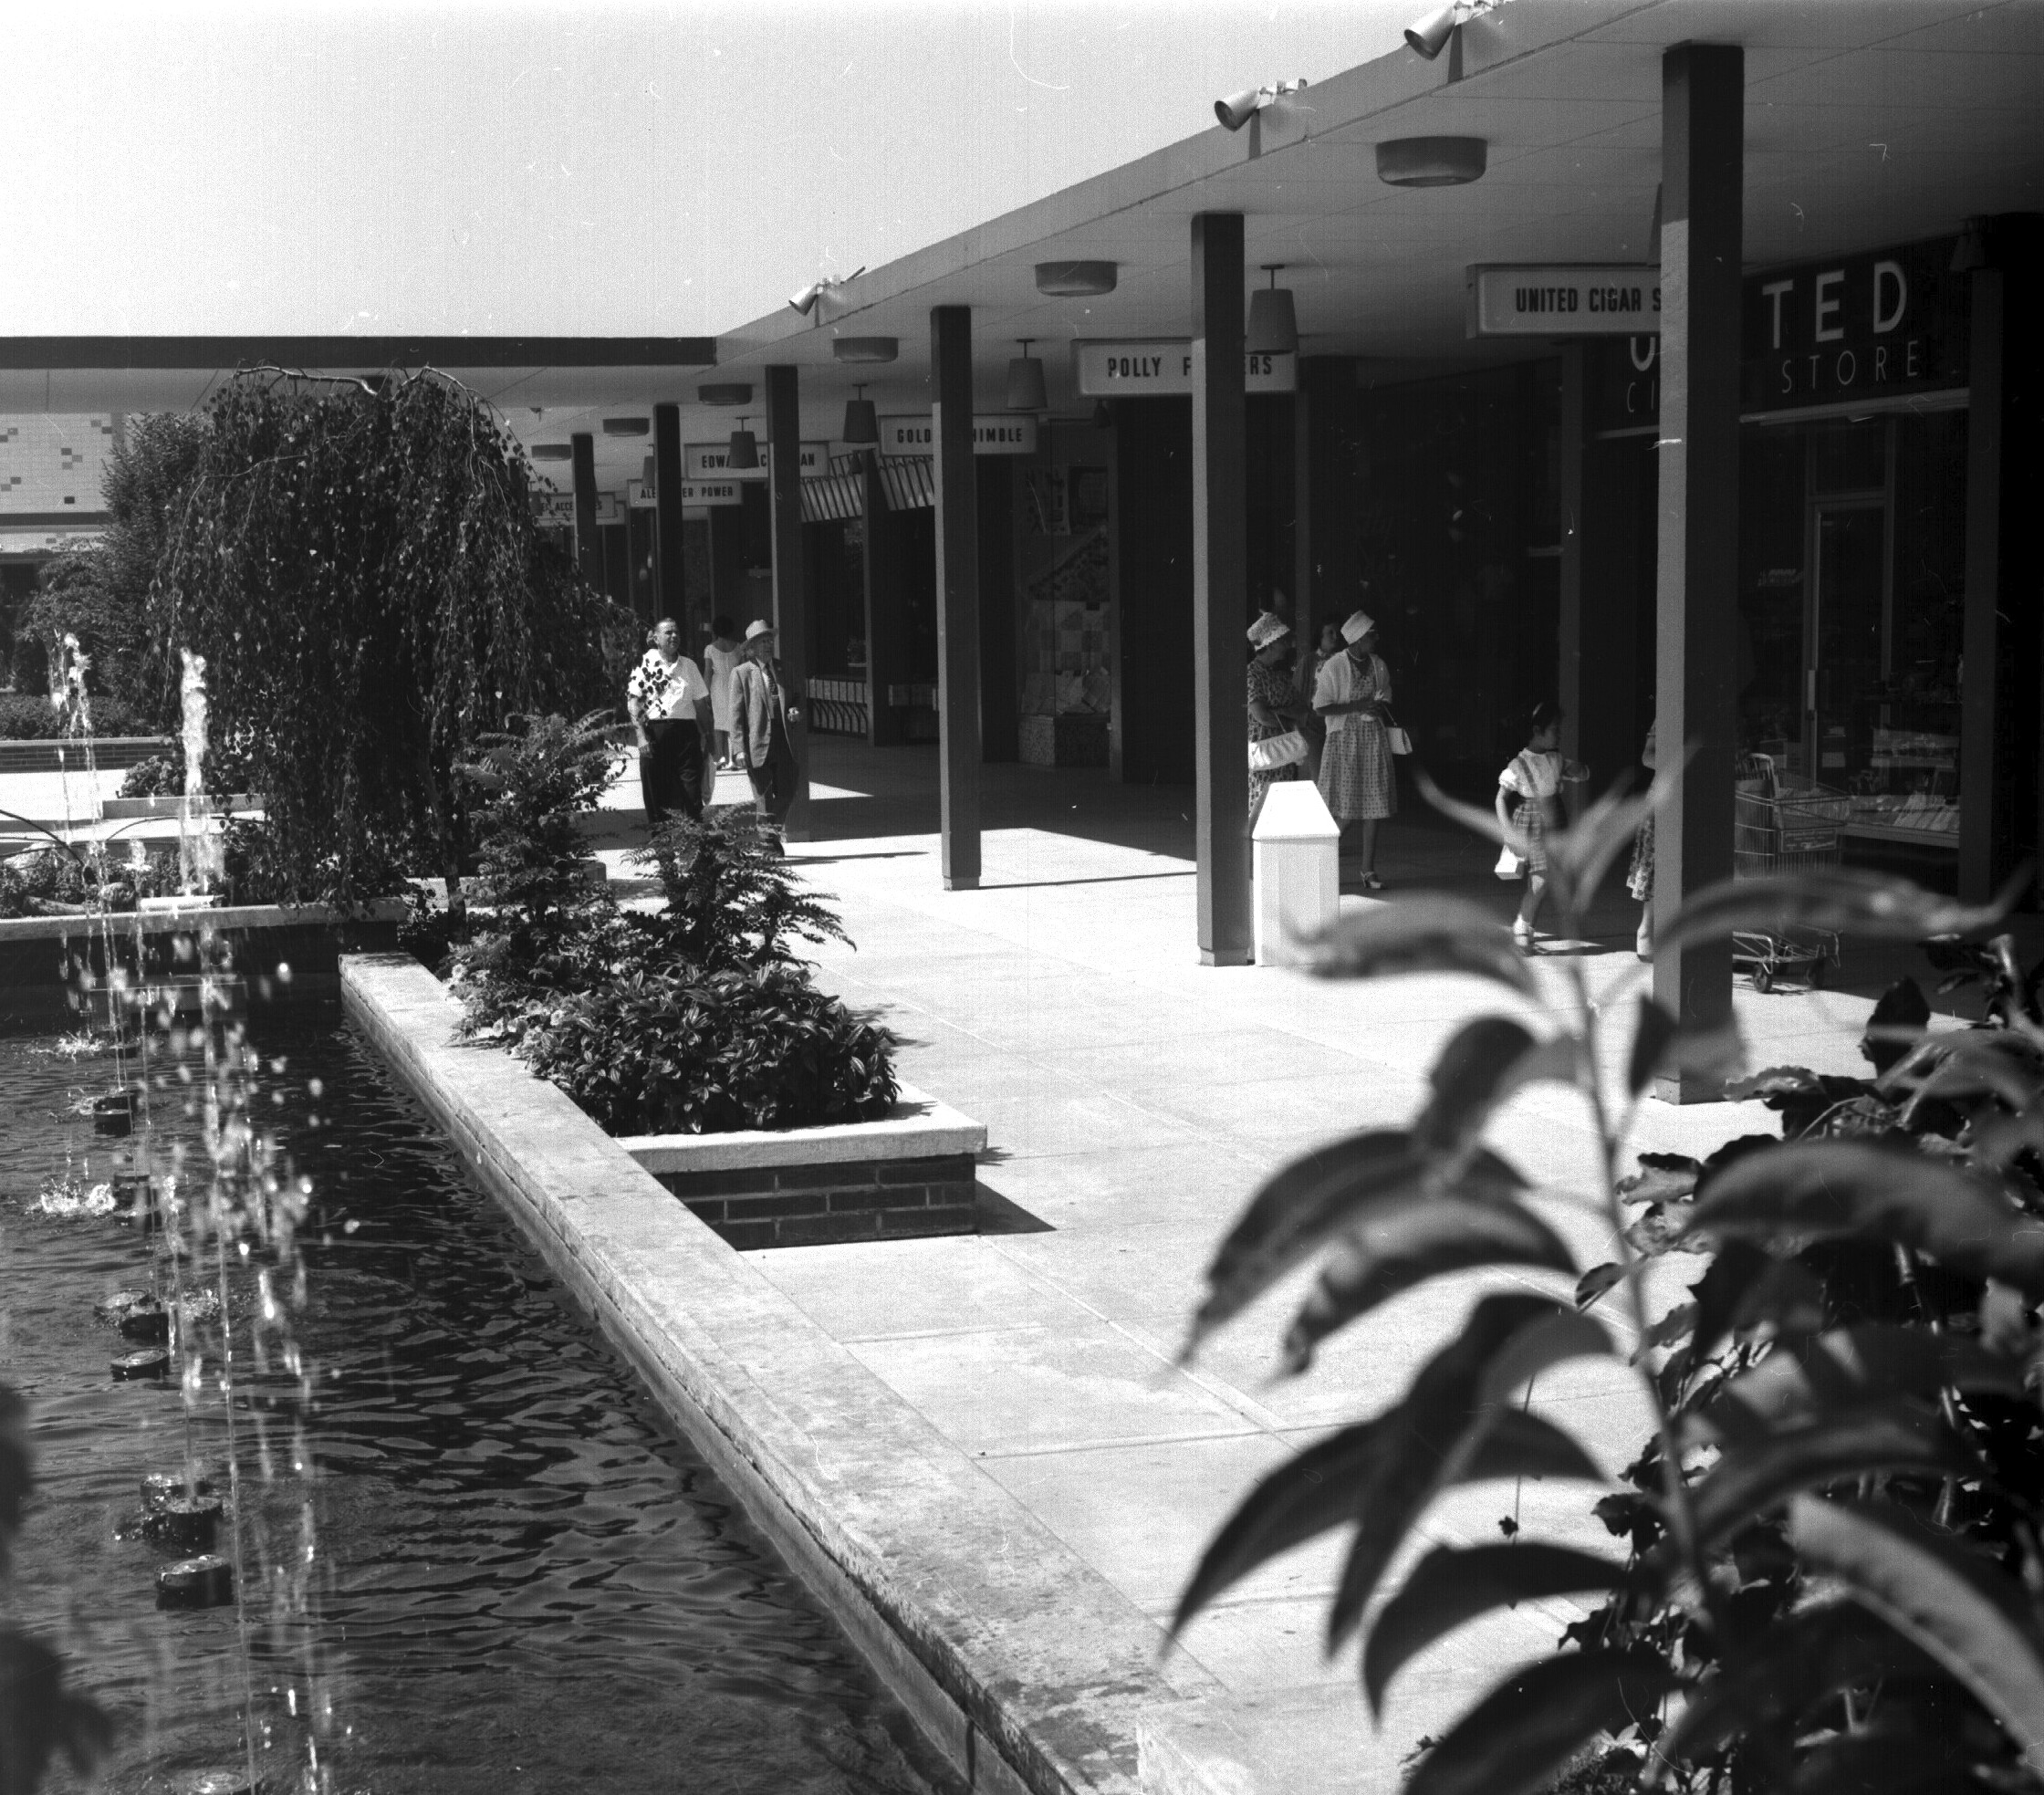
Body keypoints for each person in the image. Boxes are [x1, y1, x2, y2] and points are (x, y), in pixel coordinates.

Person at [1494, 700, 1590, 953]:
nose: (1559, 735)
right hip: (1533, 822)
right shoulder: (1519, 765)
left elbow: (1578, 773)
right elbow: (1500, 798)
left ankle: (1527, 930)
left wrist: (1579, 771)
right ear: (1537, 730)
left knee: (1545, 879)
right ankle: (1521, 924)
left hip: (1555, 819)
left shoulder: (1556, 759)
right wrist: (1507, 831)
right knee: (1541, 880)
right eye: (1554, 730)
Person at [1313, 610, 1396, 890]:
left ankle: (1368, 869)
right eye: (1372, 635)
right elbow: (1320, 706)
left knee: (1373, 808)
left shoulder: (1378, 665)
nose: (1376, 639)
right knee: (1347, 810)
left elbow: (1385, 696)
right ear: (1359, 638)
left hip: (1372, 738)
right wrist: (1357, 706)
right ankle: (1318, 863)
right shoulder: (1334, 666)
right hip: (1344, 740)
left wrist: (1377, 705)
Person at [625, 616, 712, 829]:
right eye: (668, 632)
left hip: (686, 736)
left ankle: (696, 851)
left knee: (692, 795)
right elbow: (633, 703)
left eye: (677, 633)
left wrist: (710, 738)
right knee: (658, 796)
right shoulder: (644, 663)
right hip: (656, 734)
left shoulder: (689, 666)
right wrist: (641, 737)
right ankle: (665, 853)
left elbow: (701, 705)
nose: (674, 636)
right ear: (655, 638)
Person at [729, 619, 802, 853]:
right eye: (762, 642)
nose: (768, 645)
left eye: (770, 640)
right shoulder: (741, 673)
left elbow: (797, 698)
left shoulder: (785, 668)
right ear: (751, 648)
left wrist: (795, 710)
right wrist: (739, 748)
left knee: (788, 789)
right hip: (756, 740)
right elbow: (736, 714)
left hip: (783, 738)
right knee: (763, 797)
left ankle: (768, 837)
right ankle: (767, 842)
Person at [1246, 611, 1304, 828]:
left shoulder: (1281, 674)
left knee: (1283, 806)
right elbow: (1261, 715)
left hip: (1285, 750)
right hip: (1265, 751)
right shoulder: (1252, 674)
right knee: (1262, 807)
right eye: (1282, 641)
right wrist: (1286, 715)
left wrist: (1278, 713)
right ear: (1269, 644)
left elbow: (1301, 708)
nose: (1287, 645)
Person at [1294, 617, 1341, 781]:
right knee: (1318, 775)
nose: (1335, 636)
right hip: (1314, 725)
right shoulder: (1308, 661)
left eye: (1337, 632)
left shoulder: (1343, 661)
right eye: (1330, 633)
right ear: (1320, 637)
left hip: (1338, 723)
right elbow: (1298, 693)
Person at [1627, 716, 1657, 961]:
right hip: (1665, 794)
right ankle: (1646, 930)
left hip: (1700, 794)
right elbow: (1647, 756)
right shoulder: (1662, 719)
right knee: (1656, 864)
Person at [704, 613, 745, 770]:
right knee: (734, 720)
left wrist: (705, 692)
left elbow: (708, 672)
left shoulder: (710, 649)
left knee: (719, 722)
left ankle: (720, 757)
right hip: (735, 684)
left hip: (718, 686)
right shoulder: (739, 647)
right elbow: (742, 669)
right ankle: (734, 759)